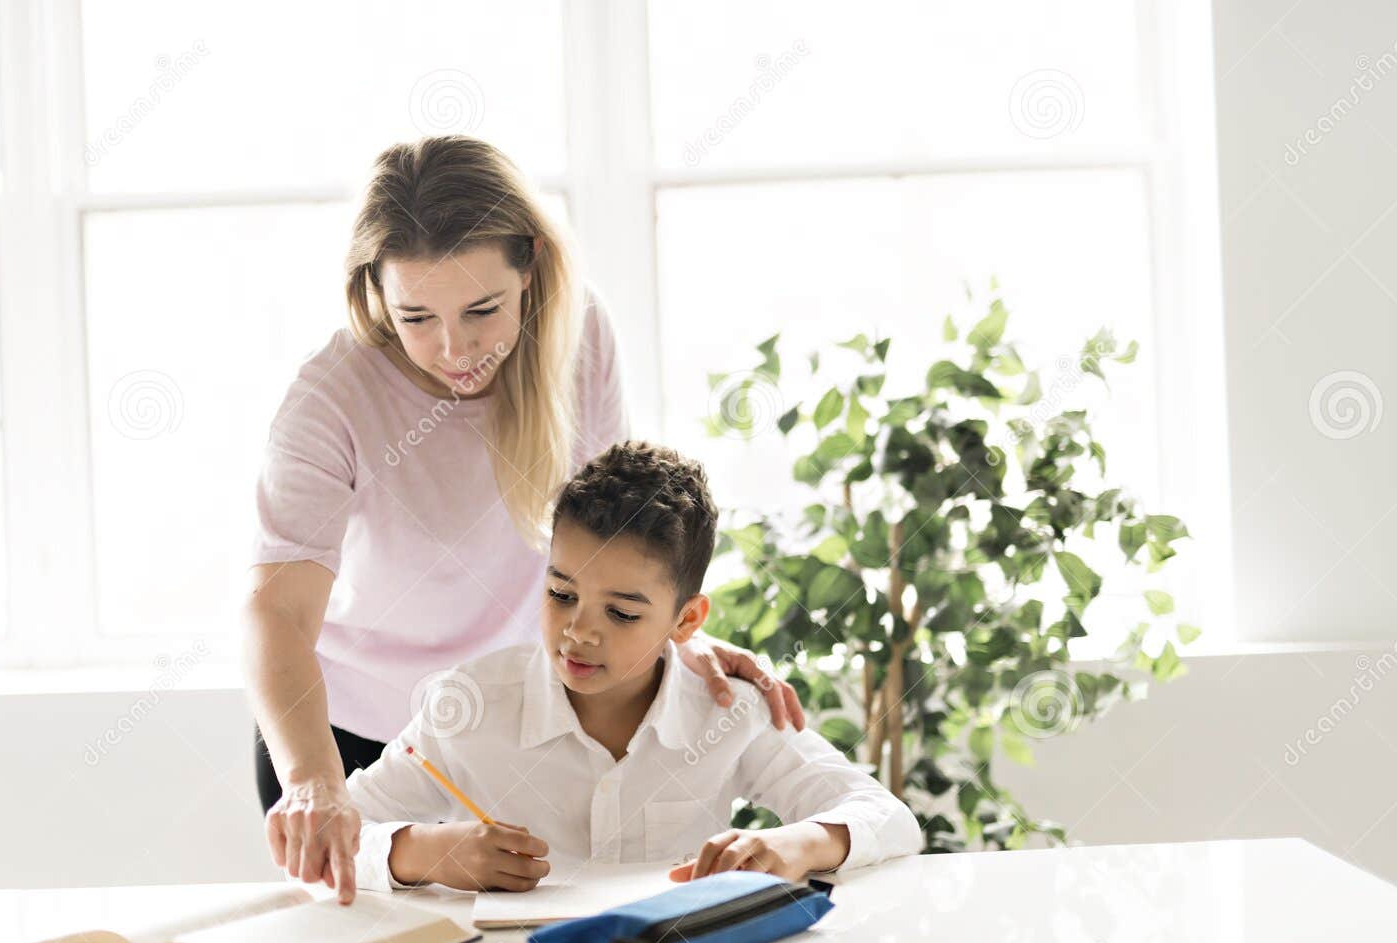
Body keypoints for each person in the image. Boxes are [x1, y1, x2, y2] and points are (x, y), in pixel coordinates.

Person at [243, 136, 810, 904]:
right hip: (350, 740)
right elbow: (277, 611)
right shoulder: (331, 398)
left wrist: (677, 639)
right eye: (415, 316)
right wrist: (313, 782)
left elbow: (615, 532)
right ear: (373, 292)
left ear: (532, 265)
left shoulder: (580, 337)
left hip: (508, 727)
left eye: (483, 309)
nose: (454, 349)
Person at [341, 441, 924, 892]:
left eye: (621, 613)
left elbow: (887, 817)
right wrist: (426, 852)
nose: (579, 632)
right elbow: (332, 834)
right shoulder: (467, 705)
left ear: (688, 620)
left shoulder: (728, 710)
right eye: (561, 595)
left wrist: (795, 846)